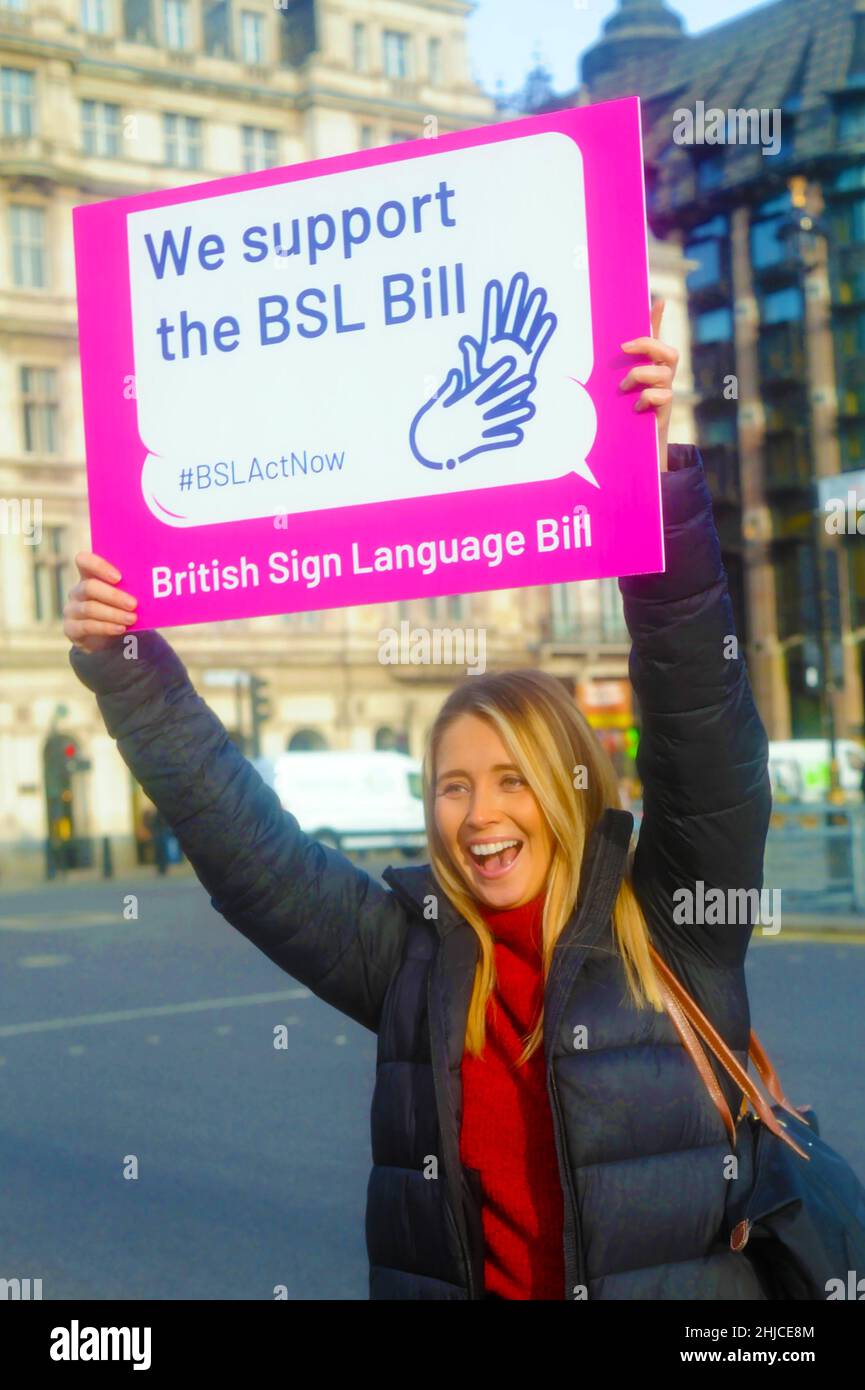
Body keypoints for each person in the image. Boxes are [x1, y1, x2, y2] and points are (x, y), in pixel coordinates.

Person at [62, 300, 772, 1300]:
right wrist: (127, 664)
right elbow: (250, 851)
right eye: (452, 785)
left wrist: (653, 491)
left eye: (510, 778)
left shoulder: (675, 924)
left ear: (572, 788)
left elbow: (704, 726)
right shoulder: (416, 957)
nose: (479, 812)